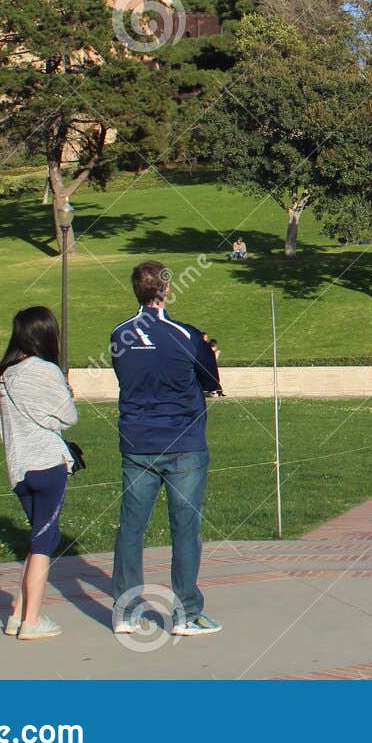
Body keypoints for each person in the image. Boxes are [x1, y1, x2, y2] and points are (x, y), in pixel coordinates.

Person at [110, 261, 223, 637]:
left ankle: (126, 612)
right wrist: (210, 357)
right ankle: (187, 612)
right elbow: (209, 381)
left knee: (131, 527)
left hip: (138, 442)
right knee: (185, 528)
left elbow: (131, 377)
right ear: (166, 289)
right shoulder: (185, 335)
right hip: (183, 442)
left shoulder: (119, 335)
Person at [0, 306, 77, 641]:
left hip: (19, 468)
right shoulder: (46, 371)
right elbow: (68, 417)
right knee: (44, 542)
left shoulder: (4, 376)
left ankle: (16, 612)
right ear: (46, 334)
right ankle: (32, 620)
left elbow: (5, 429)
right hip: (48, 465)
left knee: (43, 536)